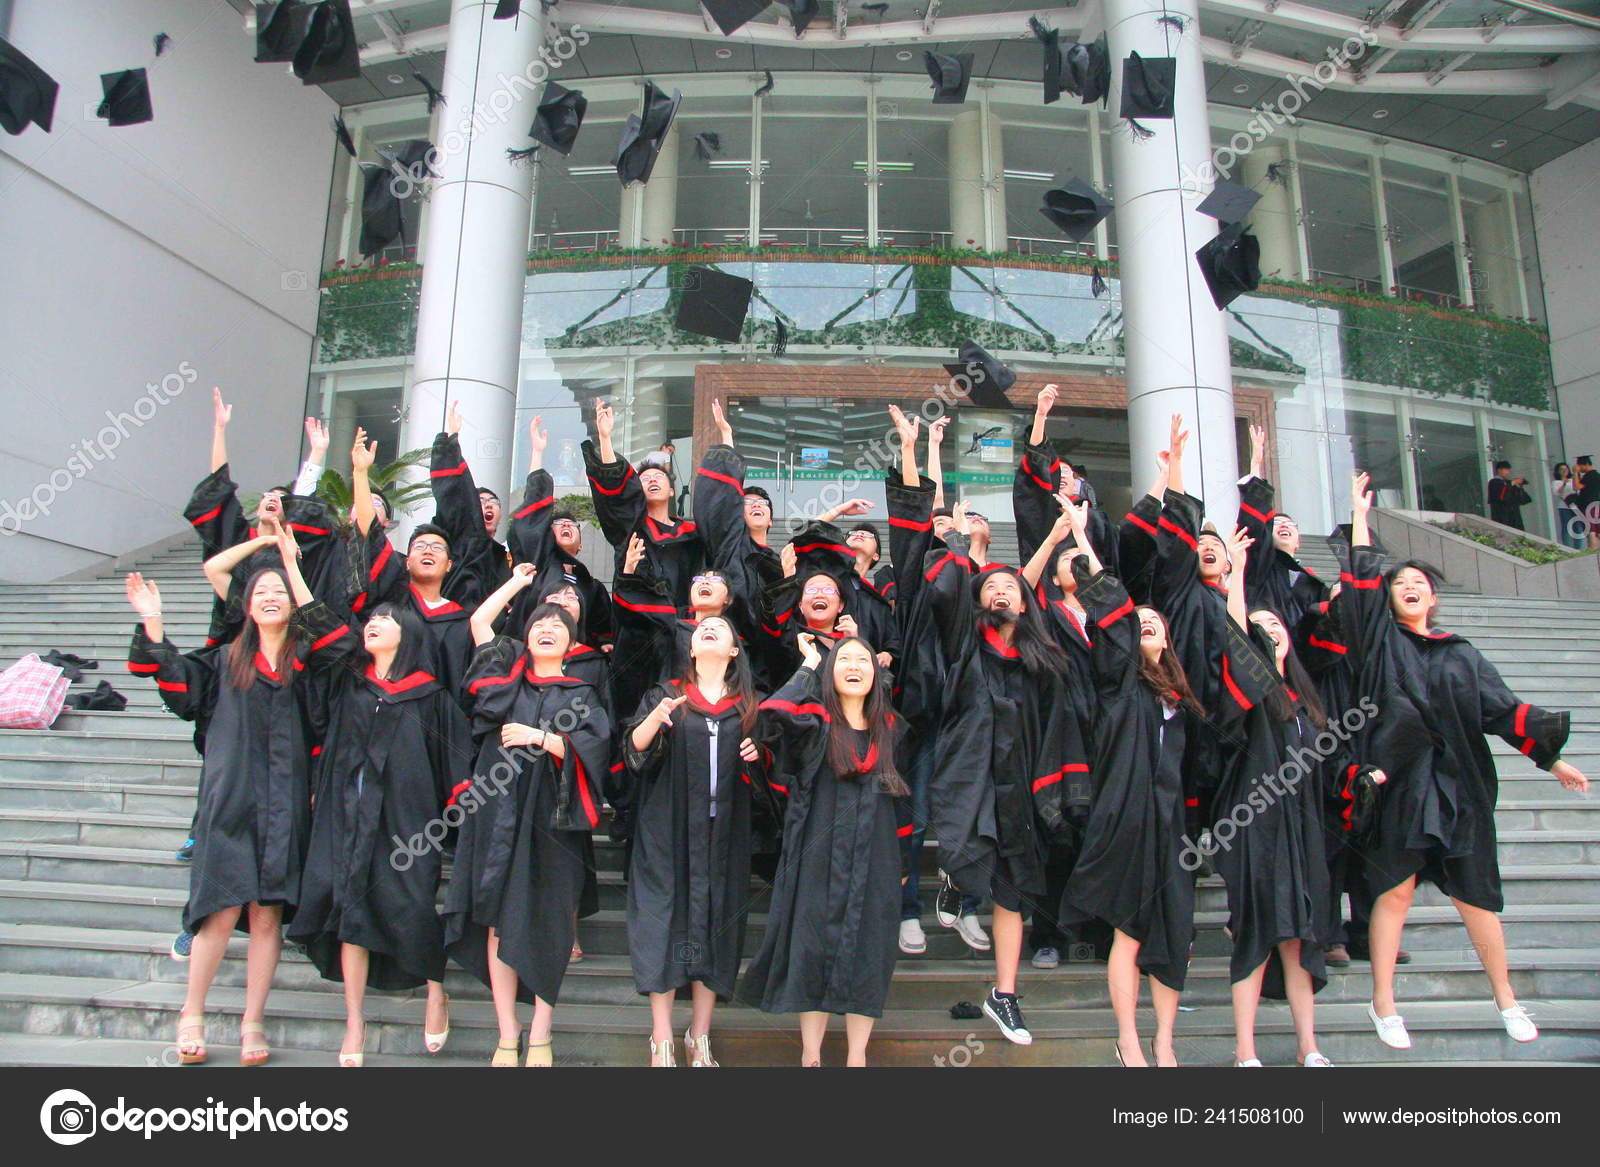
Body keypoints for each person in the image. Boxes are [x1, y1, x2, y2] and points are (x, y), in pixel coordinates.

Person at [1346, 472, 1588, 1050]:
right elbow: (1360, 585)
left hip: (1459, 784)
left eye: (1418, 583)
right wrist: (1359, 517)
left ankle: (1507, 999)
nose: (1408, 587)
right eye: (1399, 583)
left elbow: (1502, 710)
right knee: (1394, 892)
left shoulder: (1462, 654)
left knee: (1476, 898)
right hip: (1400, 783)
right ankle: (1383, 1003)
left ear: (1434, 597)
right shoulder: (1379, 643)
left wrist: (1552, 761)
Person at [125, 526, 352, 1066]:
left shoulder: (307, 663)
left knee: (267, 916)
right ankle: (192, 1014)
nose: (270, 597)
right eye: (261, 592)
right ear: (246, 606)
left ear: (291, 604)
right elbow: (176, 686)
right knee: (219, 912)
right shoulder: (223, 661)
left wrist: (291, 565)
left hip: (287, 803)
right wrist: (154, 623)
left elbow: (341, 642)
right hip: (230, 800)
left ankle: (253, 1022)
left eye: (279, 592)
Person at [923, 503, 1088, 1045]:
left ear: (1025, 602)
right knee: (964, 844)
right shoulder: (965, 643)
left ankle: (1005, 994)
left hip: (1022, 779)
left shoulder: (1043, 659)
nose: (1000, 592)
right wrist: (953, 539)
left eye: (1010, 589)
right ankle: (954, 878)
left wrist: (1059, 535)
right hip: (970, 771)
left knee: (1013, 892)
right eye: (989, 587)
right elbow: (951, 592)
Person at [288, 602, 473, 1066]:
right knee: (348, 907)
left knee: (412, 904)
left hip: (407, 821)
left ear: (407, 633)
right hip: (346, 815)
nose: (372, 623)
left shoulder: (431, 696)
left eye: (385, 619)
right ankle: (355, 1021)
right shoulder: (349, 682)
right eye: (370, 619)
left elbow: (454, 762)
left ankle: (435, 992)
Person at [444, 575, 612, 1066]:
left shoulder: (581, 693)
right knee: (497, 921)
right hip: (495, 813)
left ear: (572, 642)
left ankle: (541, 1030)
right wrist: (516, 584)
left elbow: (595, 750)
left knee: (549, 921)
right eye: (539, 623)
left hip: (552, 820)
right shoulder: (504, 678)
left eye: (558, 626)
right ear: (525, 634)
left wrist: (541, 738)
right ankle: (507, 1031)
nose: (547, 629)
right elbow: (480, 622)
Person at [1060, 501, 1199, 1068]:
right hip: (1125, 818)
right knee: (1129, 931)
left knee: (1175, 934)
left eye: (1154, 623)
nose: (1144, 624)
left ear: (1167, 639)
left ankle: (1165, 1040)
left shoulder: (1181, 700)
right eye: (1138, 622)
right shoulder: (1118, 681)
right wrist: (1081, 537)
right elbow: (1112, 609)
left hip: (1171, 827)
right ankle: (1129, 1039)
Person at [737, 634, 910, 1067]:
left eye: (862, 660)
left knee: (869, 951)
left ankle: (857, 1057)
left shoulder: (893, 730)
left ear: (876, 674)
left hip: (876, 856)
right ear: (830, 673)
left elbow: (903, 801)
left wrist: (904, 861)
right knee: (810, 948)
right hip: (816, 853)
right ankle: (810, 1055)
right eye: (843, 659)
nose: (853, 666)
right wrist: (809, 664)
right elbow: (771, 715)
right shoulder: (814, 725)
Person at [624, 615, 774, 1067]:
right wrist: (654, 720)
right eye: (702, 629)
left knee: (717, 923)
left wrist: (759, 755)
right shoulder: (666, 695)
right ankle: (661, 1037)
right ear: (690, 649)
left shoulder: (750, 705)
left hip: (723, 833)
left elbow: (772, 773)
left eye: (720, 628)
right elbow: (633, 752)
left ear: (734, 651)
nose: (708, 630)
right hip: (666, 830)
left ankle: (700, 1033)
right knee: (663, 923)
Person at [1214, 525, 1335, 1067]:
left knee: (1299, 938)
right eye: (1260, 627)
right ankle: (1245, 1050)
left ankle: (1309, 1047)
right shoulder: (1255, 691)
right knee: (1256, 935)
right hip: (1256, 826)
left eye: (1276, 624)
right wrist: (1238, 573)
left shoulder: (1306, 699)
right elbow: (1234, 640)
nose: (1270, 631)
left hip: (1302, 830)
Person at [349, 430, 478, 706]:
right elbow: (369, 534)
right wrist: (360, 474)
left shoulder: (461, 621)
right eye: (420, 546)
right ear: (406, 561)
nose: (428, 550)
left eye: (437, 547)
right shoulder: (393, 601)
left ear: (449, 565)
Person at [584, 399, 705, 607]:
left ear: (671, 491)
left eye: (658, 477)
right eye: (645, 479)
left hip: (684, 618)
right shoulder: (631, 528)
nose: (652, 480)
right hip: (640, 617)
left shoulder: (692, 535)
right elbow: (615, 488)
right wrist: (605, 438)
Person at [431, 401, 513, 608]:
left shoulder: (507, 558)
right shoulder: (454, 545)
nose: (487, 505)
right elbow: (452, 495)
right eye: (481, 501)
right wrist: (450, 442)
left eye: (493, 501)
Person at [1485, 461, 1530, 531]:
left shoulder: (1510, 483)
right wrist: (1514, 482)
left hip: (1515, 519)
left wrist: (1520, 487)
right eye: (1506, 469)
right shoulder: (1494, 482)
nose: (1508, 472)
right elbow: (1501, 495)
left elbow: (1524, 500)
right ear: (1499, 470)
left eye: (1509, 470)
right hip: (1502, 517)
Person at [1551, 462, 1583, 549]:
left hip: (1575, 506)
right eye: (1561, 469)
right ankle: (1567, 547)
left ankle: (1580, 548)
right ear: (1558, 471)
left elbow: (1578, 490)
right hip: (1564, 507)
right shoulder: (1556, 482)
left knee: (1579, 527)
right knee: (1567, 527)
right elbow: (1557, 492)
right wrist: (1564, 483)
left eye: (1566, 469)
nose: (1564, 471)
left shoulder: (1573, 480)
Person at [1573, 455, 1600, 550]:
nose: (1579, 469)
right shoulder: (1597, 475)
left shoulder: (1589, 476)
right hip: (1596, 505)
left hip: (1588, 506)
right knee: (1596, 530)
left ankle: (1593, 551)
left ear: (1586, 464)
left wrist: (1575, 473)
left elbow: (1576, 487)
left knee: (1591, 530)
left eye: (1580, 466)